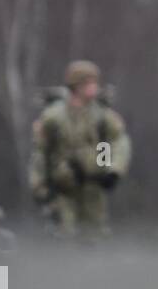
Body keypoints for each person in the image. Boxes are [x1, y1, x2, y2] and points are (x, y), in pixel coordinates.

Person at [29, 60, 131, 242]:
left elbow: (117, 141)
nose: (95, 87)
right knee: (65, 236)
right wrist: (40, 187)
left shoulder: (101, 115)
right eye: (90, 83)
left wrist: (113, 171)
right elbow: (40, 153)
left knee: (94, 236)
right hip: (63, 188)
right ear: (77, 86)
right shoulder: (54, 117)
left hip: (94, 188)